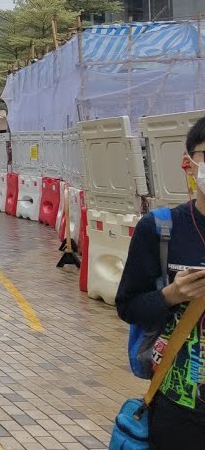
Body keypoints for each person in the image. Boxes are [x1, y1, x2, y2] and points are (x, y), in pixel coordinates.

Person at [115, 116, 205, 445]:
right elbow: (127, 306)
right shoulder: (160, 229)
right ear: (189, 163)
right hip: (179, 406)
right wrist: (170, 295)